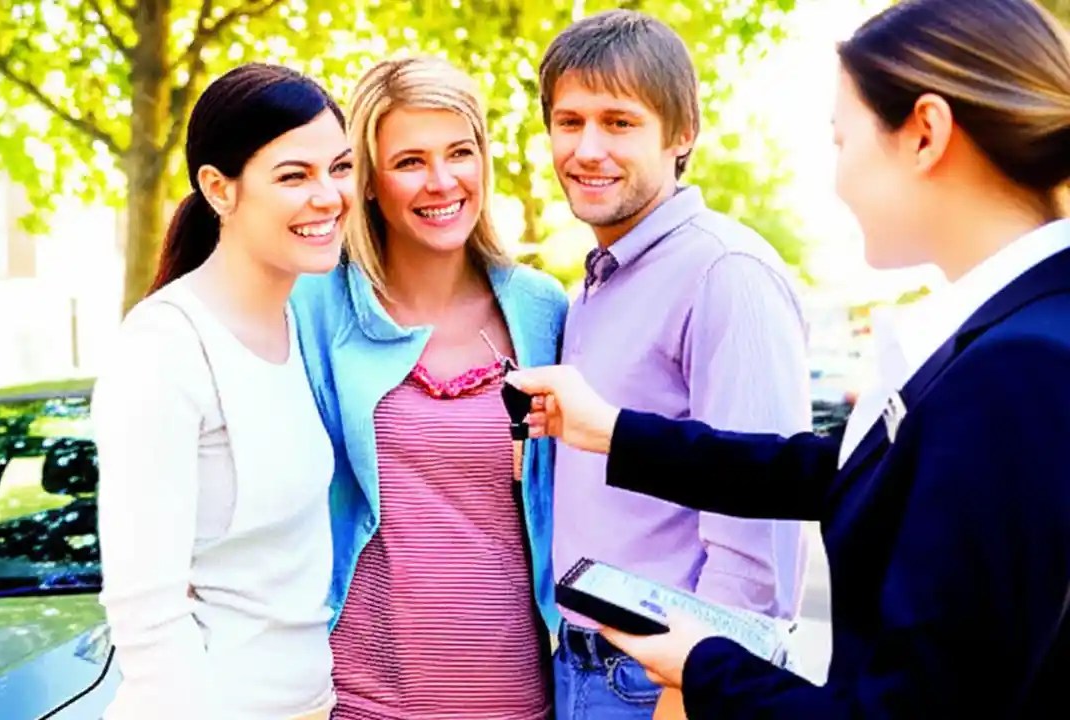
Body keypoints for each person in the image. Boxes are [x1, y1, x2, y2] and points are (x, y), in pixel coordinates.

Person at [507, 0, 1070, 716]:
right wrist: (612, 431)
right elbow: (823, 472)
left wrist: (702, 665)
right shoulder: (1009, 332)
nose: (834, 179)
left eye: (840, 141)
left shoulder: (1019, 368)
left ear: (925, 133)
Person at [536, 10, 811, 718]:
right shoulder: (599, 279)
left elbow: (760, 528)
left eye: (618, 122)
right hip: (583, 665)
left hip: (658, 681)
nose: (587, 148)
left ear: (682, 133)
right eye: (569, 122)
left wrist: (687, 692)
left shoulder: (724, 272)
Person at [290, 55, 568, 719]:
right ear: (368, 181)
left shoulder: (542, 310)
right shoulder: (316, 306)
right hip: (361, 698)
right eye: (410, 161)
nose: (442, 181)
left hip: (516, 695)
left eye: (460, 153)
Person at [91, 63, 355, 720]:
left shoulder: (297, 319)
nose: (328, 195)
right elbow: (145, 612)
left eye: (341, 168)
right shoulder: (165, 347)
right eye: (294, 175)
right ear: (219, 188)